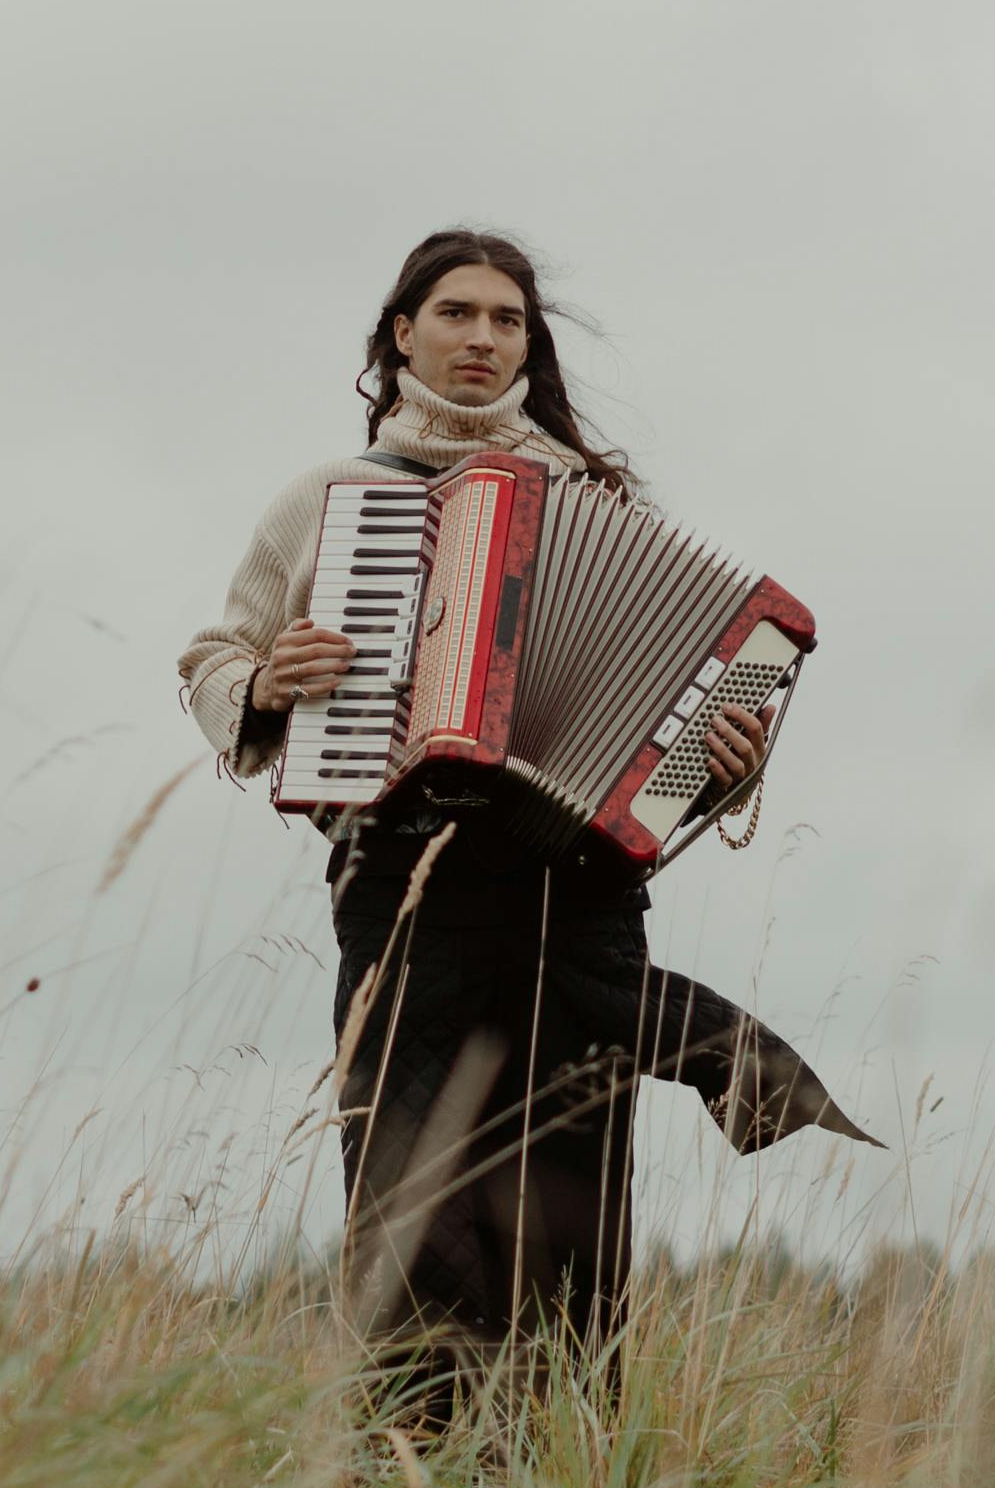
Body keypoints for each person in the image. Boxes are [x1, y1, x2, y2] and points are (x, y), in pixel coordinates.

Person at [178, 228, 870, 1427]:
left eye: (505, 320)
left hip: (574, 896)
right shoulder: (335, 502)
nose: (481, 338)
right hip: (406, 890)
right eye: (455, 314)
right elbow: (216, 655)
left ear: (526, 344)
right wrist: (265, 684)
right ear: (403, 332)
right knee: (409, 1225)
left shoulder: (598, 502)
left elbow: (667, 730)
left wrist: (726, 764)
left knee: (571, 1241)